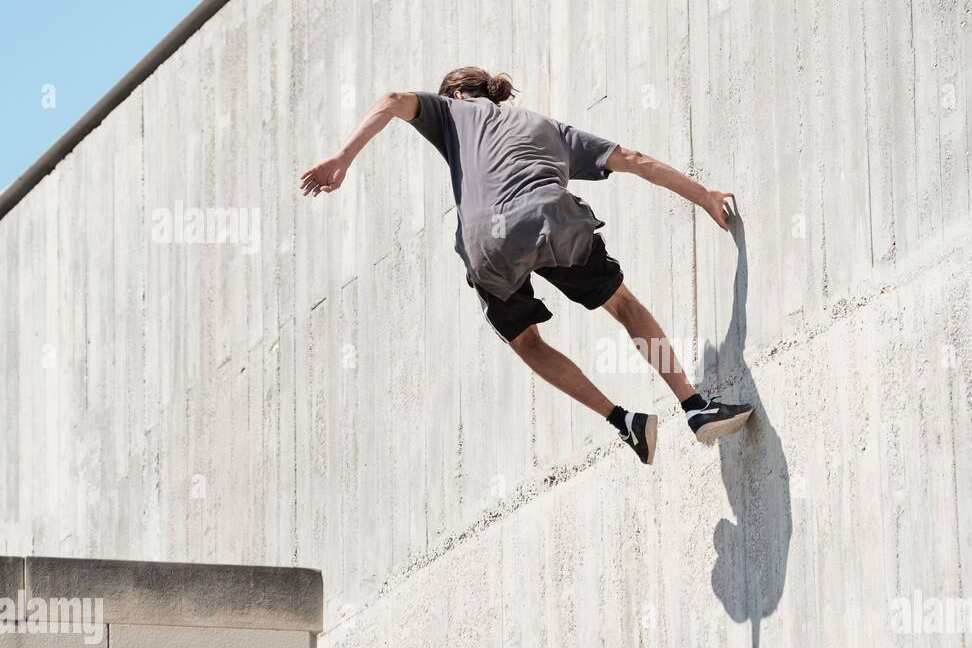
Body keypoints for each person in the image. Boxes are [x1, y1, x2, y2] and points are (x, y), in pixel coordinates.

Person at [300, 66, 752, 464]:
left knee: (527, 342)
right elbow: (634, 161)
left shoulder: (451, 112)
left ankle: (623, 421)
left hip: (487, 249)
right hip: (553, 220)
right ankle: (693, 406)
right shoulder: (548, 127)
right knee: (622, 305)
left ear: (456, 94)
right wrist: (704, 196)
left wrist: (343, 158)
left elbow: (393, 101)